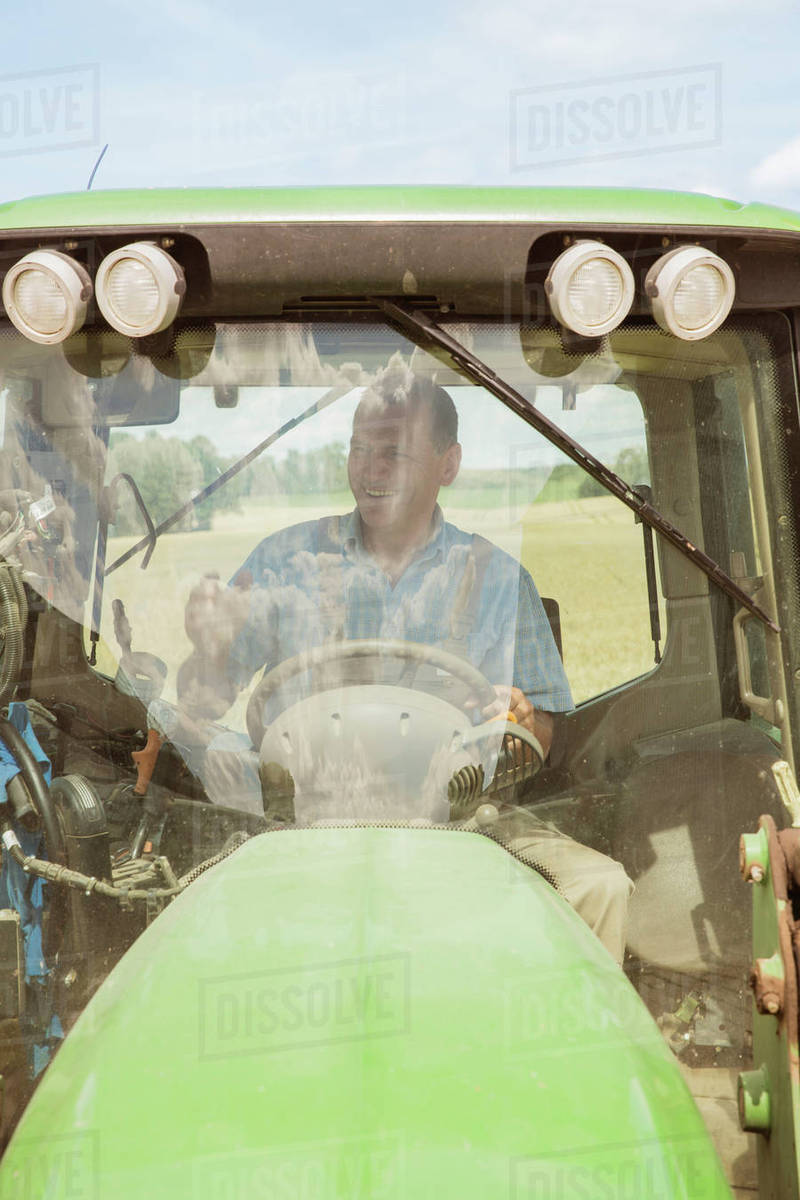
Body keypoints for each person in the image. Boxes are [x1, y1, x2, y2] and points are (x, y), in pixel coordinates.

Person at [178, 362, 632, 963]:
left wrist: (521, 718)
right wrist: (208, 649)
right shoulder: (285, 560)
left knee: (599, 889)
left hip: (464, 823)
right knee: (172, 899)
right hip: (296, 822)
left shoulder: (498, 577)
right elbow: (202, 703)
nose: (369, 471)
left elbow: (544, 726)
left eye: (392, 453)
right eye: (359, 450)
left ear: (449, 464)